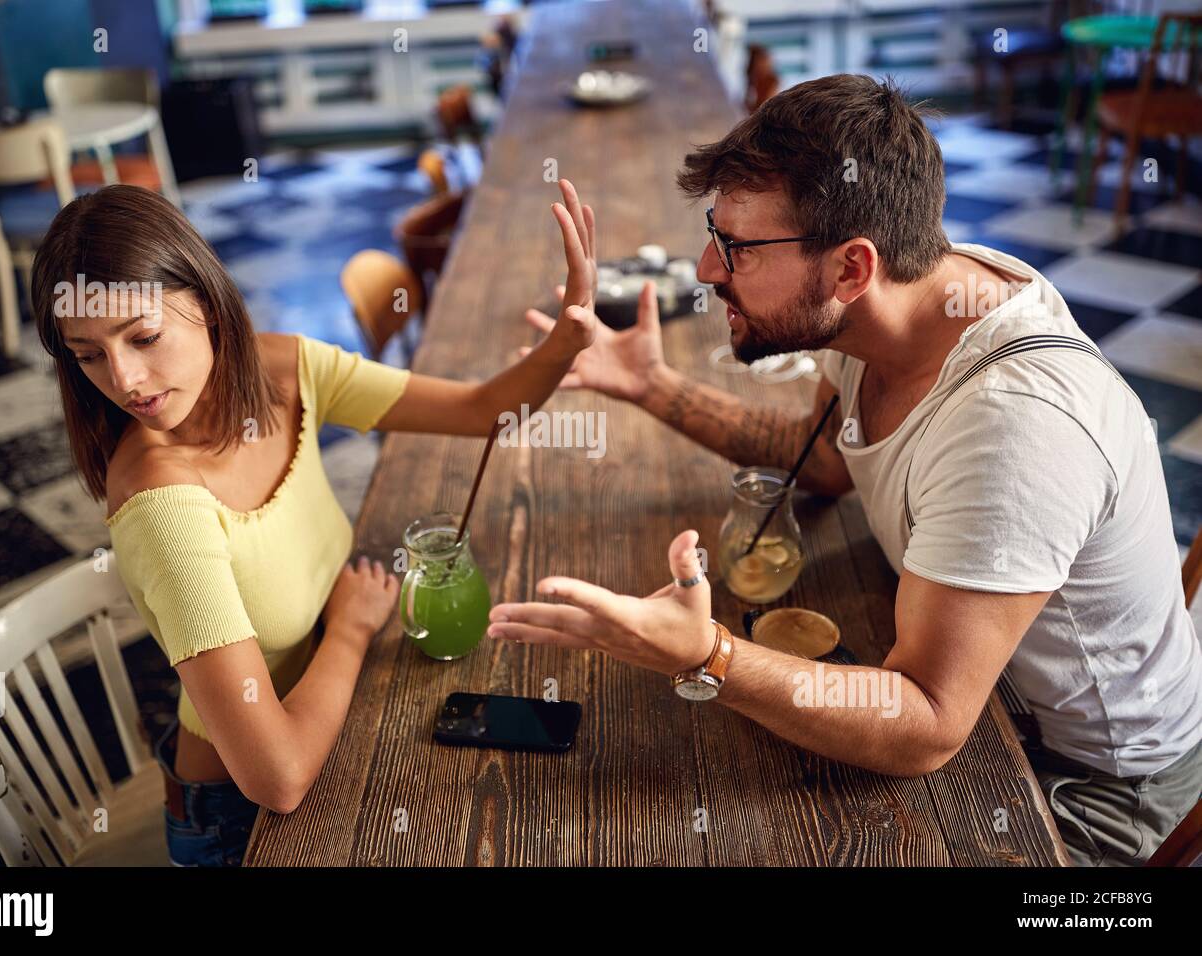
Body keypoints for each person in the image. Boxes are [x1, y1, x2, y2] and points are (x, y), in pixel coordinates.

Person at [492, 74, 1202, 867]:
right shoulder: (907, 293)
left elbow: (927, 722)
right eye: (711, 231)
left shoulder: (1015, 427)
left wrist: (708, 657)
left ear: (851, 270)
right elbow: (829, 460)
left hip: (1091, 789)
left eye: (737, 249)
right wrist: (653, 387)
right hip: (968, 683)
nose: (703, 268)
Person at [31, 179, 599, 865]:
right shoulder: (164, 506)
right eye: (88, 355)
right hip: (238, 824)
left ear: (206, 302)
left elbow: (481, 411)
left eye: (143, 336)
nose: (124, 380)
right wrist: (353, 630)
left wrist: (566, 339)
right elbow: (278, 779)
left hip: (339, 719)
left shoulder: (282, 368)